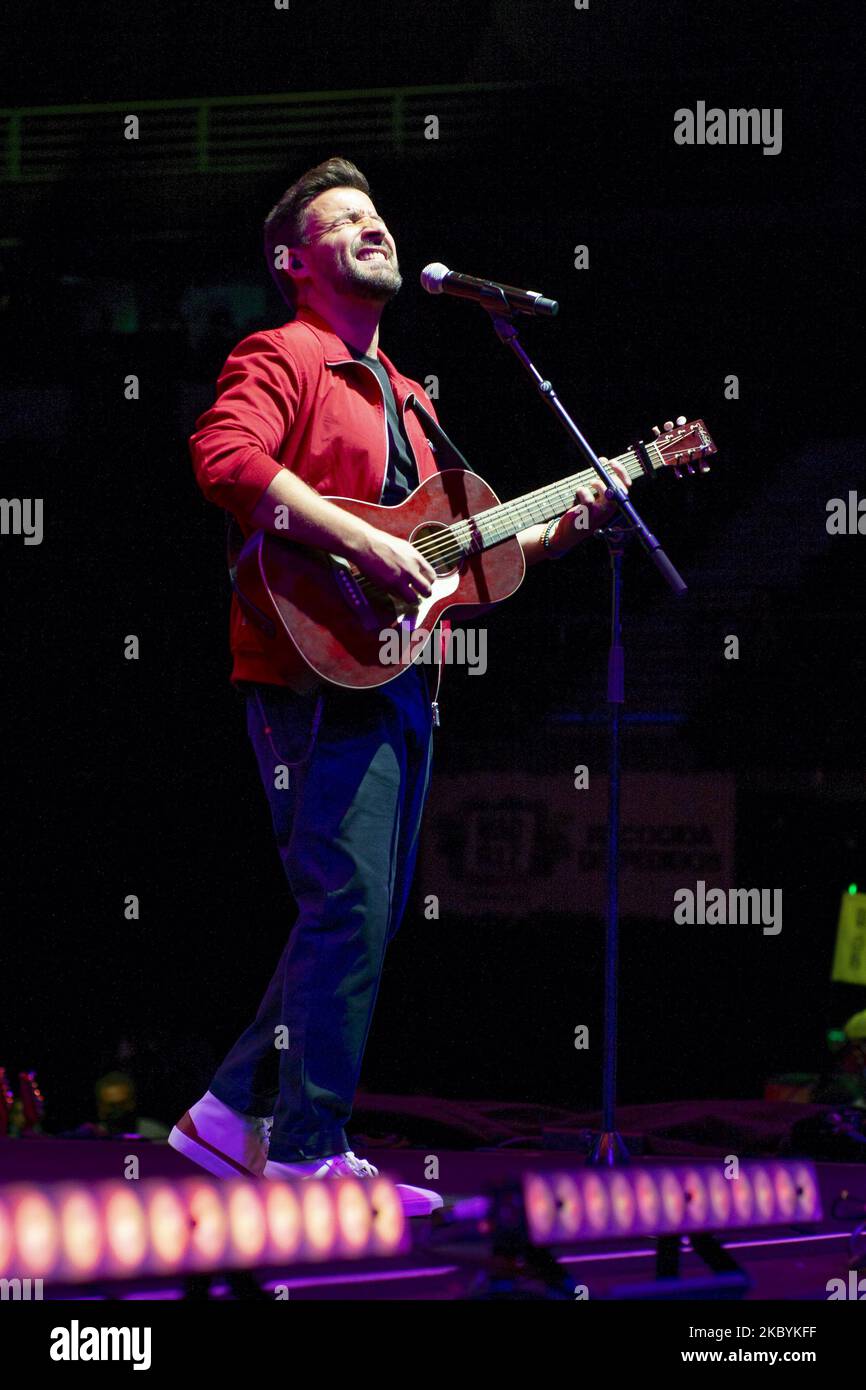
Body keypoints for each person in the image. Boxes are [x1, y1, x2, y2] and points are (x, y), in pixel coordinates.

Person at [170, 157, 632, 1215]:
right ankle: (305, 1153)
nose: (373, 226)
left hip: (393, 676)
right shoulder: (282, 354)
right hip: (309, 666)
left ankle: (229, 1115)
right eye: (344, 220)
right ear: (293, 262)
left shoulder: (411, 398)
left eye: (376, 214)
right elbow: (224, 460)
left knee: (357, 915)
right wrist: (358, 541)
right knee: (348, 904)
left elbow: (460, 561)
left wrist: (574, 519)